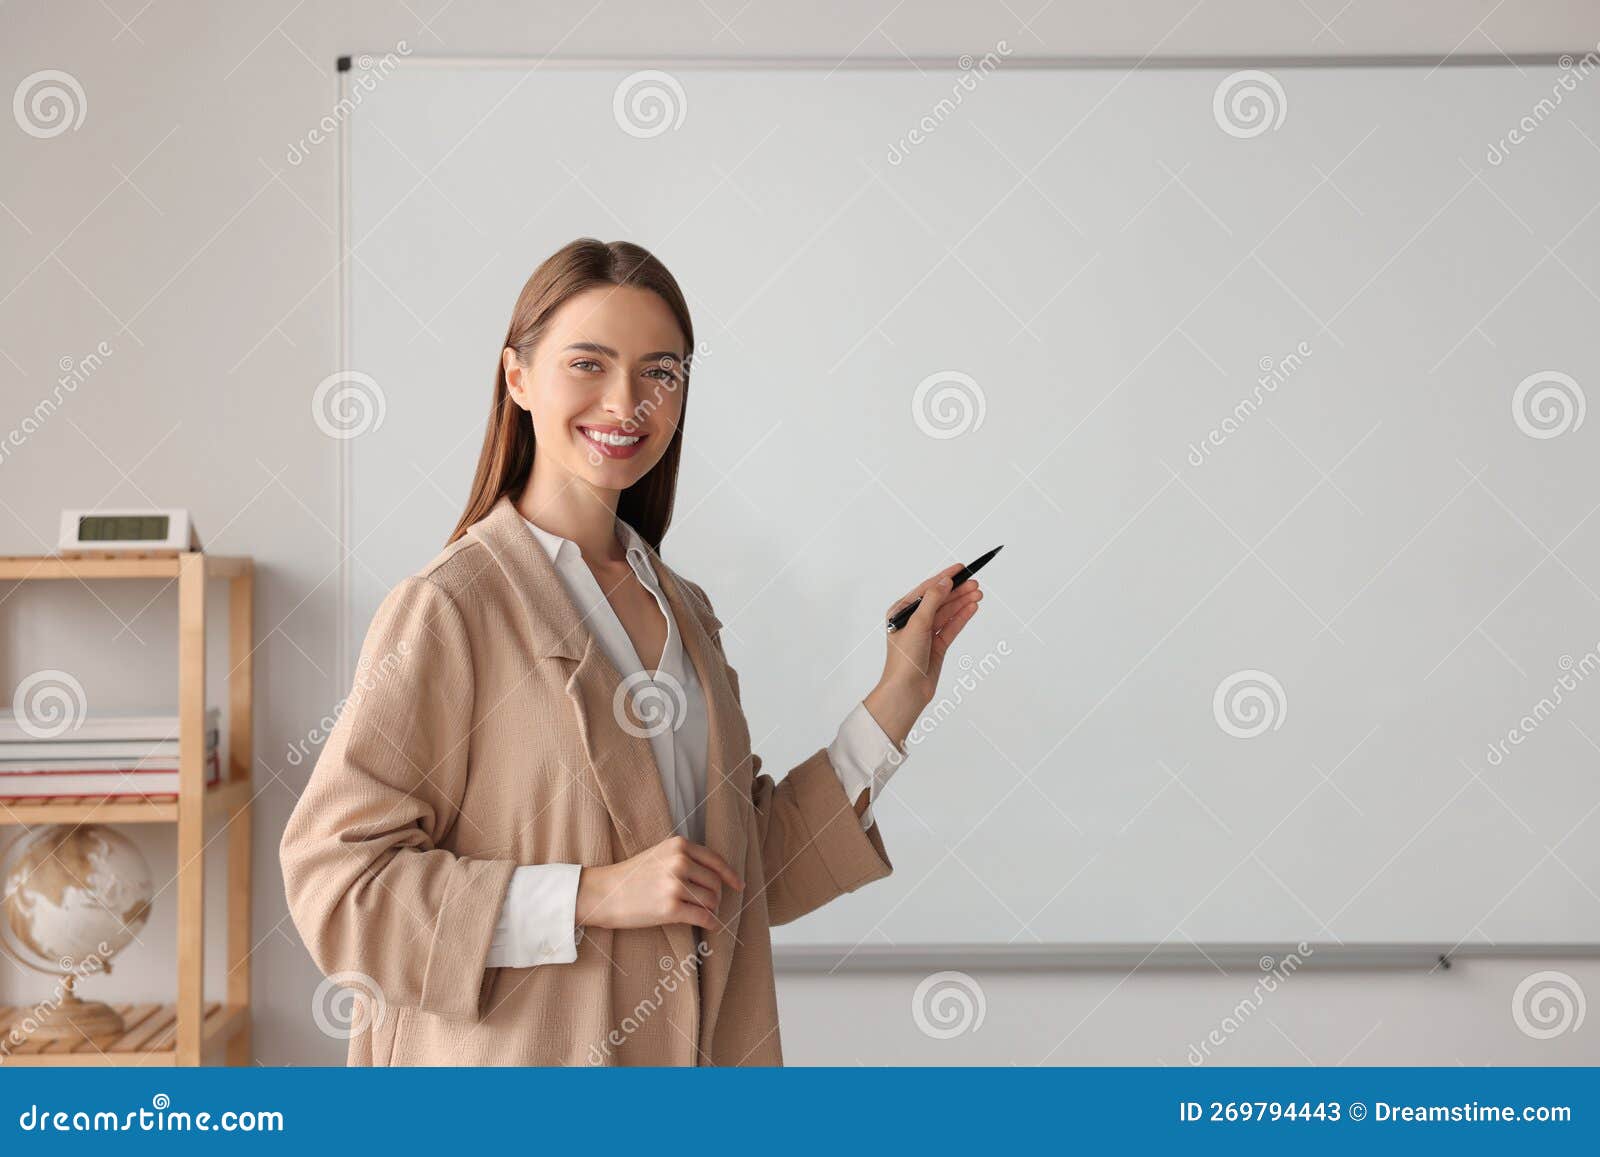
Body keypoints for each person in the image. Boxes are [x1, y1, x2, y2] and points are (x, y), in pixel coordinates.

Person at [279, 238, 984, 1065]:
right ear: (517, 378)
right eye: (589, 363)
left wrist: (900, 691)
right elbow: (339, 885)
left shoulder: (686, 611)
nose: (627, 402)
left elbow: (740, 874)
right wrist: (588, 895)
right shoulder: (449, 608)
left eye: (660, 372)